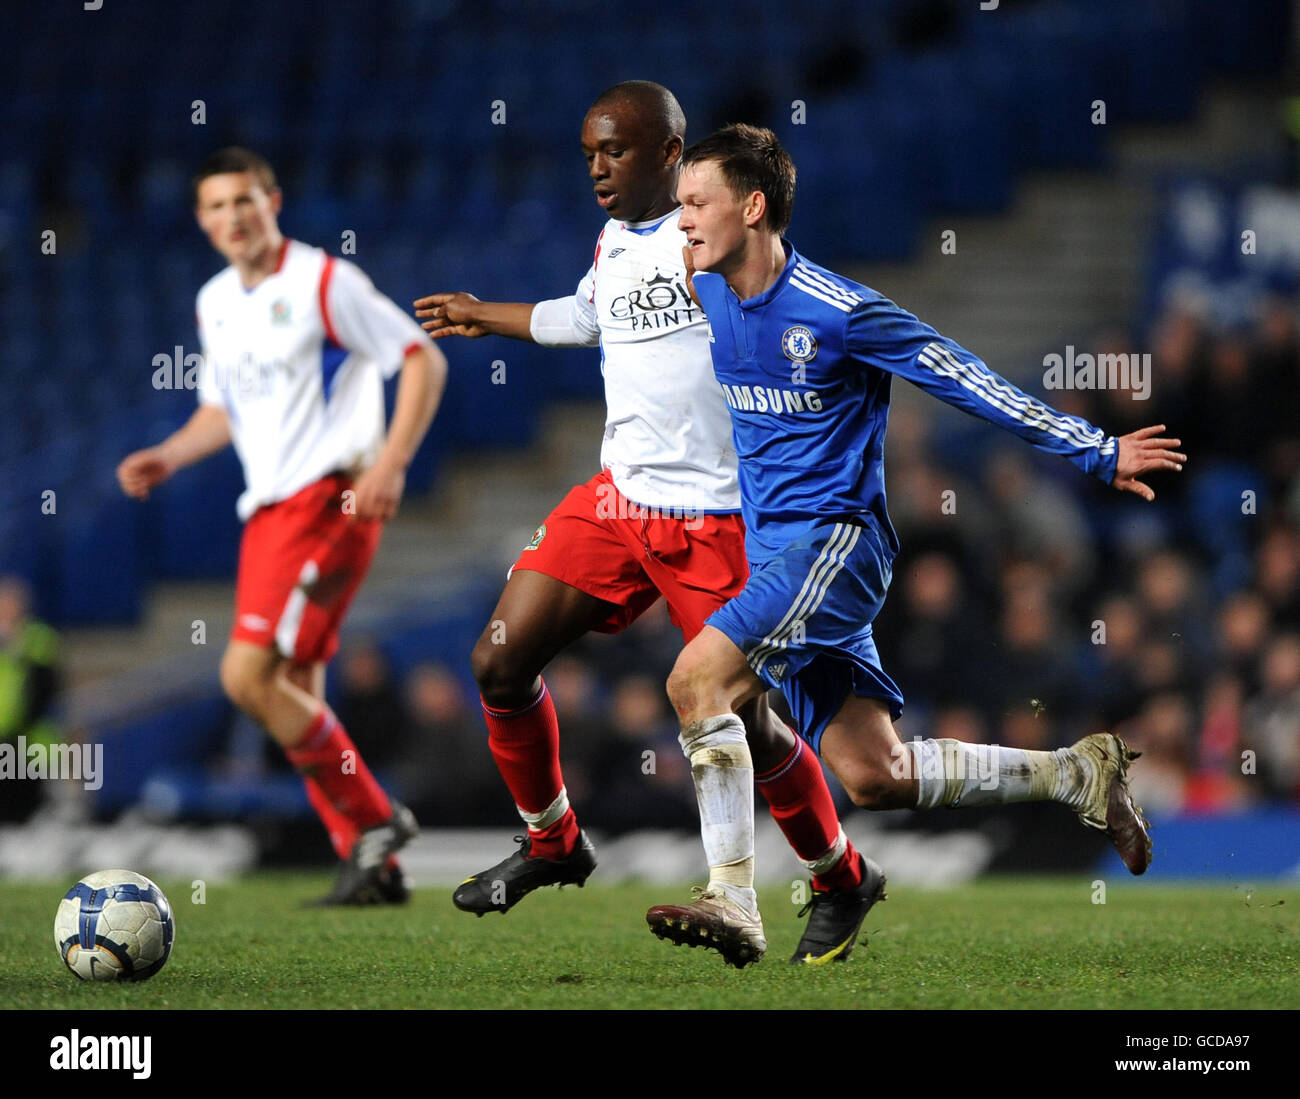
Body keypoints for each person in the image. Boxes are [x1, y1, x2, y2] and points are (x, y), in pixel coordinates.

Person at [646, 124, 1187, 964]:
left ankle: (734, 896)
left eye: (693, 202)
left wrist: (1096, 447)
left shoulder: (839, 311)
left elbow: (965, 376)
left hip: (837, 547)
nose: (678, 221)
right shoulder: (702, 285)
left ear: (751, 207)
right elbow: (609, 311)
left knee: (696, 679)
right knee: (874, 774)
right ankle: (1077, 774)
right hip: (779, 559)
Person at [415, 83, 880, 966]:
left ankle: (840, 873)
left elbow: (788, 313)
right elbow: (588, 316)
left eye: (615, 151)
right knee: (498, 658)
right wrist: (488, 316)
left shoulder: (714, 245)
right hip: (620, 500)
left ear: (672, 155)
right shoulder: (616, 240)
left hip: (715, 518)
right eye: (589, 152)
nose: (596, 167)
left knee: (752, 723)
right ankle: (553, 839)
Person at [117, 147, 447, 905]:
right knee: (292, 683)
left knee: (244, 675)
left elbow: (421, 357)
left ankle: (377, 816)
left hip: (329, 499)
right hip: (270, 509)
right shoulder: (215, 302)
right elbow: (222, 409)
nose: (232, 217)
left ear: (274, 200)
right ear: (201, 220)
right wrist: (168, 455)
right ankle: (373, 867)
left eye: (244, 200)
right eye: (215, 206)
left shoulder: (324, 281)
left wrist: (391, 463)